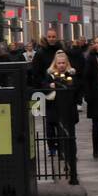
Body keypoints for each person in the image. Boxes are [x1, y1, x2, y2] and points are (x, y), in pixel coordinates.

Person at [39, 49, 82, 184]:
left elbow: (78, 90)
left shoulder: (72, 75)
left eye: (64, 63)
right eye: (59, 63)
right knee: (60, 135)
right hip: (55, 109)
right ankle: (63, 156)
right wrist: (50, 85)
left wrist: (77, 100)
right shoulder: (50, 75)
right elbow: (43, 87)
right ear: (55, 64)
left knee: (70, 135)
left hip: (69, 109)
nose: (62, 65)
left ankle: (71, 161)